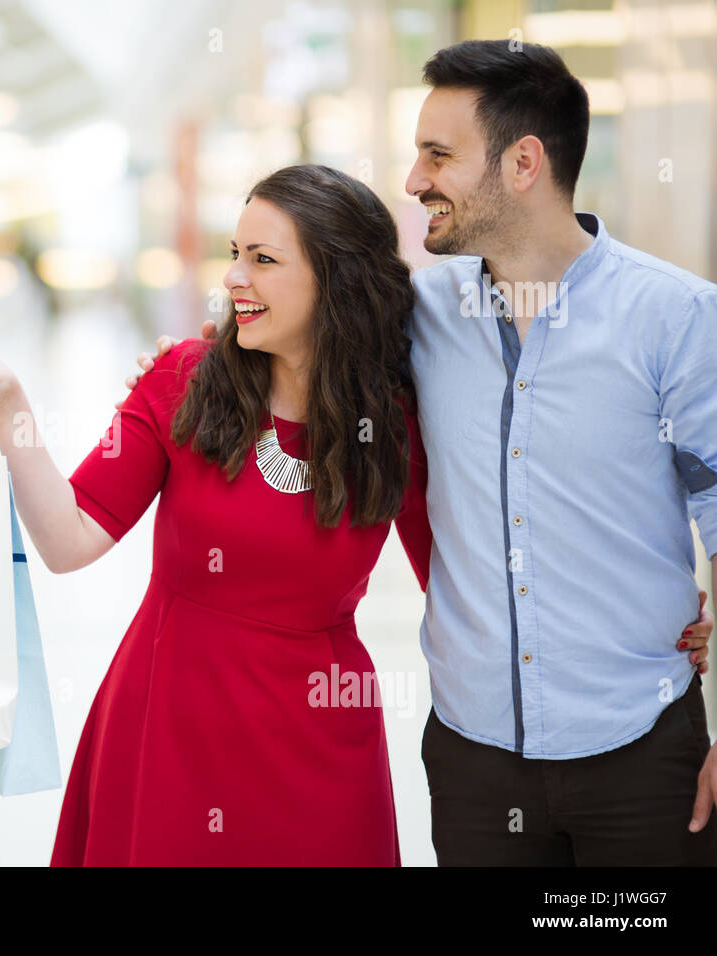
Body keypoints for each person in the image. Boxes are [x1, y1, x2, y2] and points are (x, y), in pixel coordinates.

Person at [127, 40, 717, 866]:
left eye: (438, 156)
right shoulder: (416, 317)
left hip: (643, 753)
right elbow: (299, 337)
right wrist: (201, 356)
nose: (413, 181)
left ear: (522, 163)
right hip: (475, 763)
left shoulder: (679, 318)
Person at [0, 164, 431, 864]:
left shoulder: (395, 421)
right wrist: (14, 410)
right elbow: (69, 538)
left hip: (322, 743)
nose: (235, 279)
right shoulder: (181, 380)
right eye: (235, 255)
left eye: (264, 260)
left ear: (337, 282)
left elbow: (452, 584)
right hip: (170, 726)